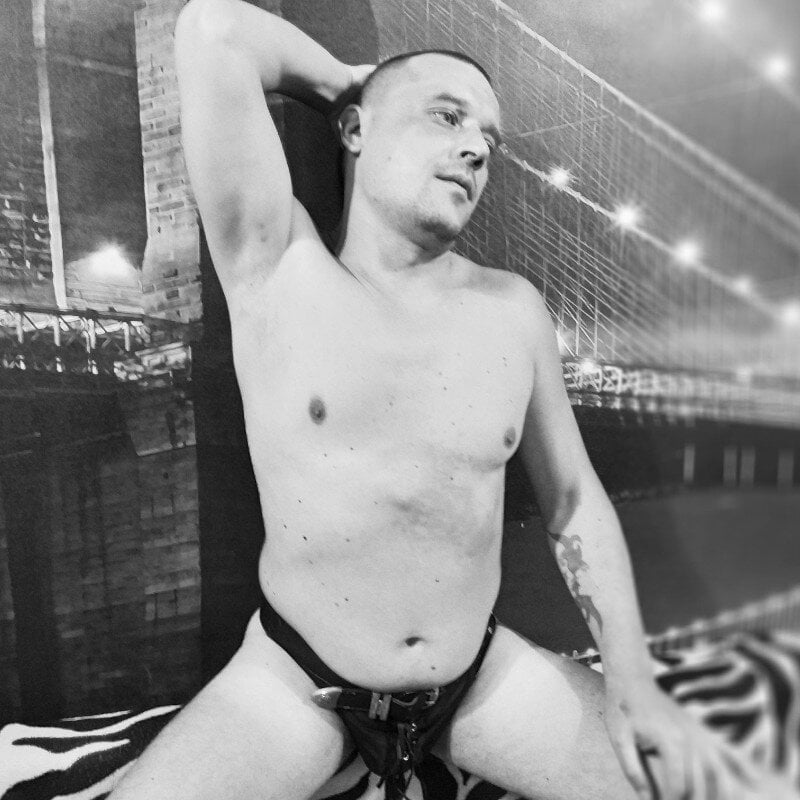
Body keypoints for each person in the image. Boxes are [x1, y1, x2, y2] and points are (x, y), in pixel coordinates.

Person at [109, 1, 797, 798]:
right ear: (355, 130)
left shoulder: (513, 310)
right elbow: (214, 29)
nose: (475, 147)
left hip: (477, 681)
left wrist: (633, 680)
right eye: (446, 116)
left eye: (489, 142)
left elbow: (573, 501)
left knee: (702, 790)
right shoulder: (275, 265)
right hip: (295, 683)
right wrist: (352, 84)